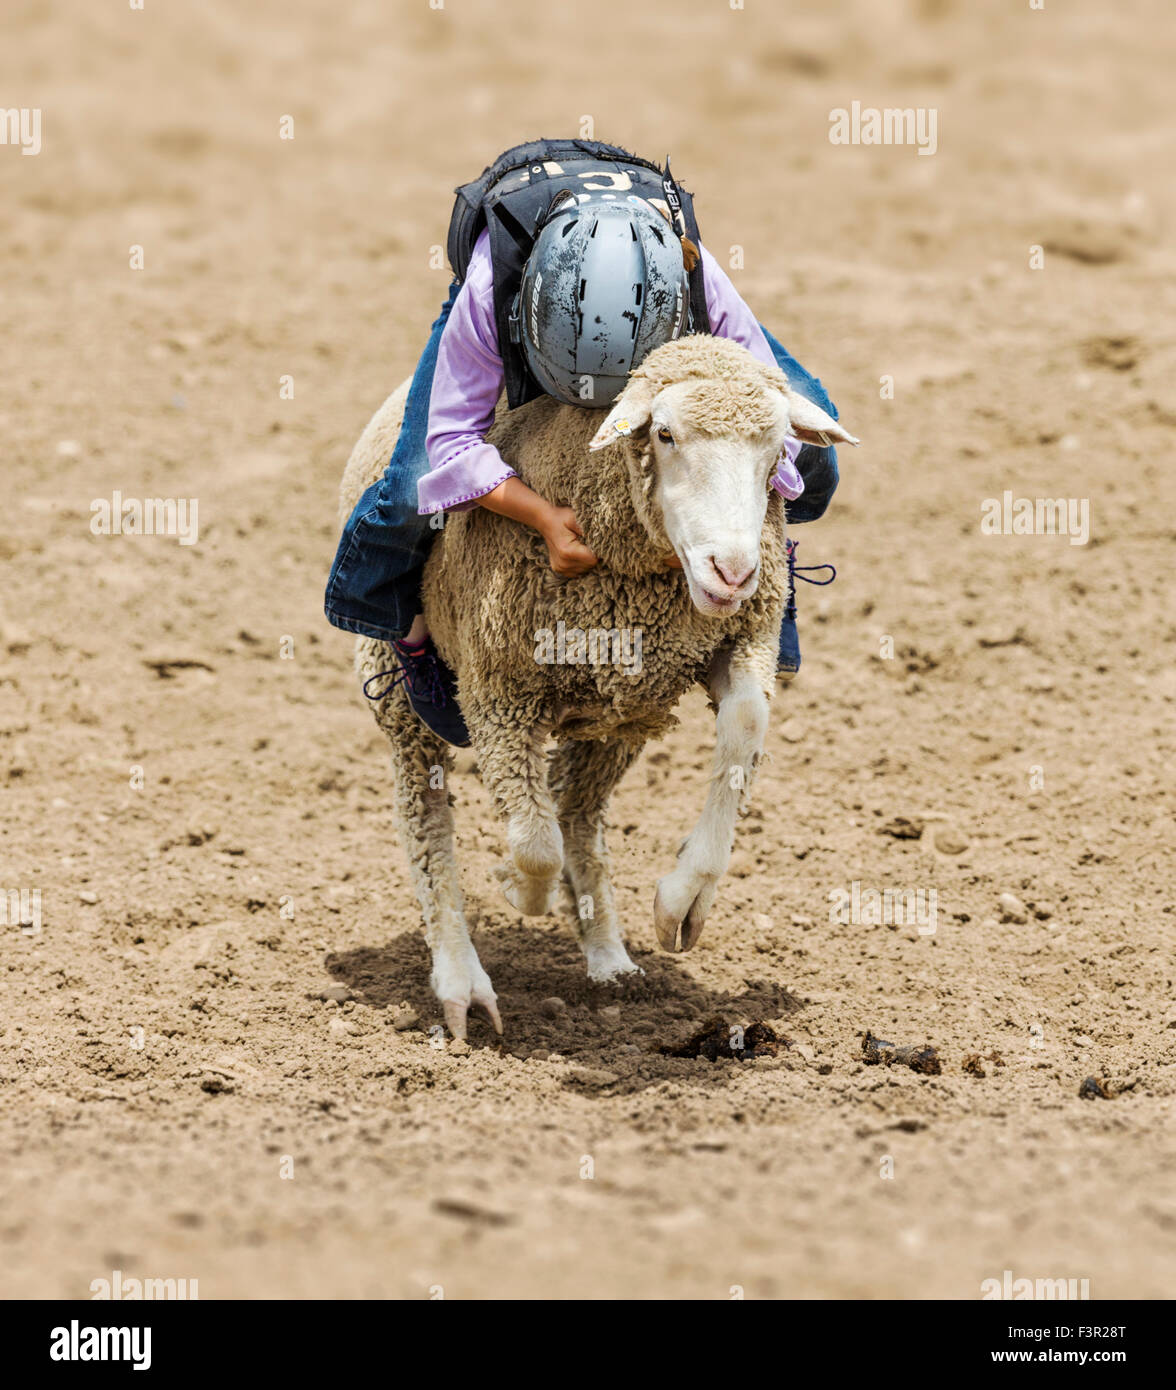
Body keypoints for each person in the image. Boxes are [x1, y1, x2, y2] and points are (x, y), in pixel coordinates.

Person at [325, 139, 842, 745]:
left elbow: (759, 407)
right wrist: (544, 518)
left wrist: (738, 510)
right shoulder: (493, 292)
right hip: (520, 271)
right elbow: (450, 442)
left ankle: (765, 580)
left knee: (817, 447)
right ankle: (406, 639)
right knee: (410, 485)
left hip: (647, 279)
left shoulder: (694, 279)